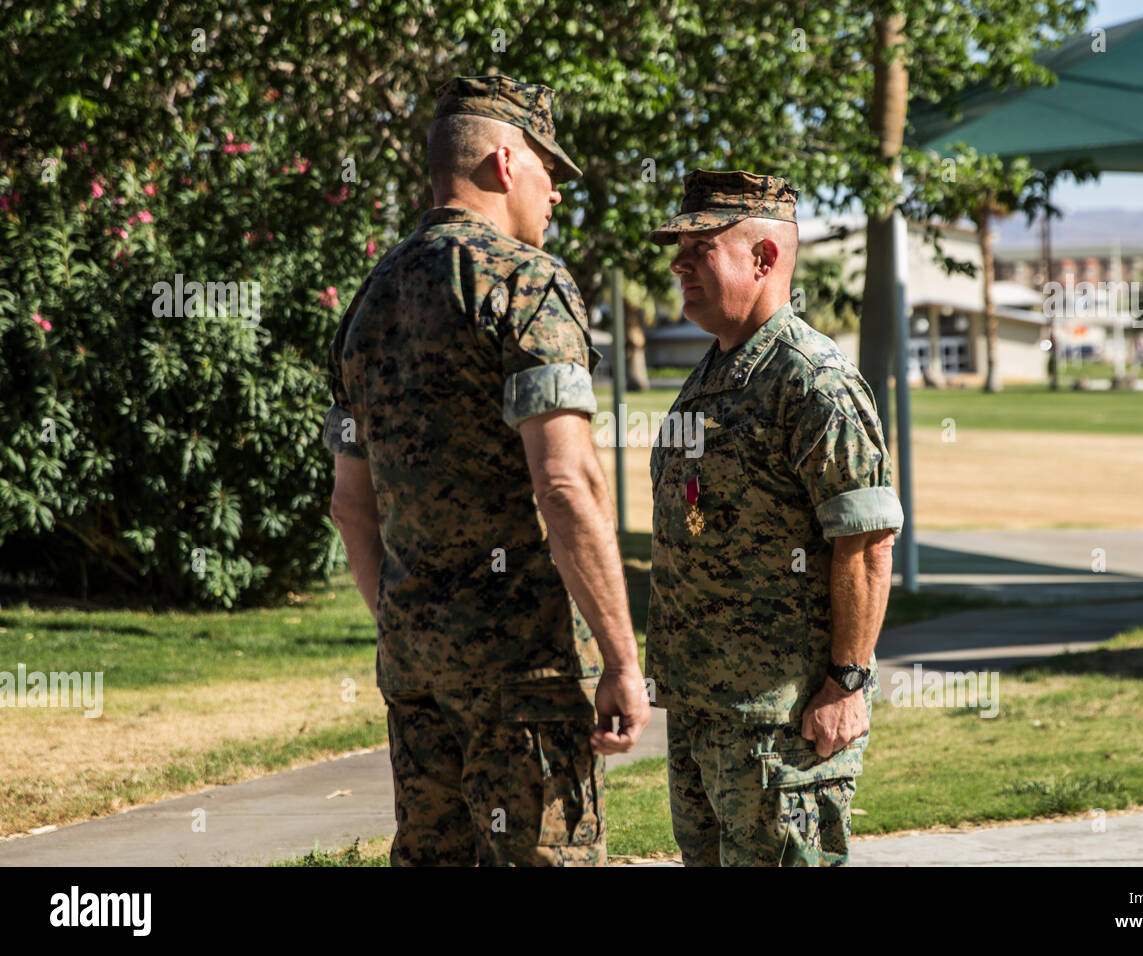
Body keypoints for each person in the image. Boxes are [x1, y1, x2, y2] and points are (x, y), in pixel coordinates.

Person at [322, 74, 648, 867]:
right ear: (506, 162)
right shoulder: (527, 284)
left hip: (415, 671)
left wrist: (407, 624)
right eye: (550, 170)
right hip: (522, 671)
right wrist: (622, 659)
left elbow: (348, 507)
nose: (558, 194)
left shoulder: (369, 301)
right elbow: (566, 485)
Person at [645, 169, 903, 866]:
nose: (679, 265)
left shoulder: (812, 380)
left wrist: (846, 684)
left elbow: (868, 543)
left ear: (764, 259)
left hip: (782, 721)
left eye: (700, 249)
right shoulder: (709, 376)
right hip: (704, 710)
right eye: (679, 250)